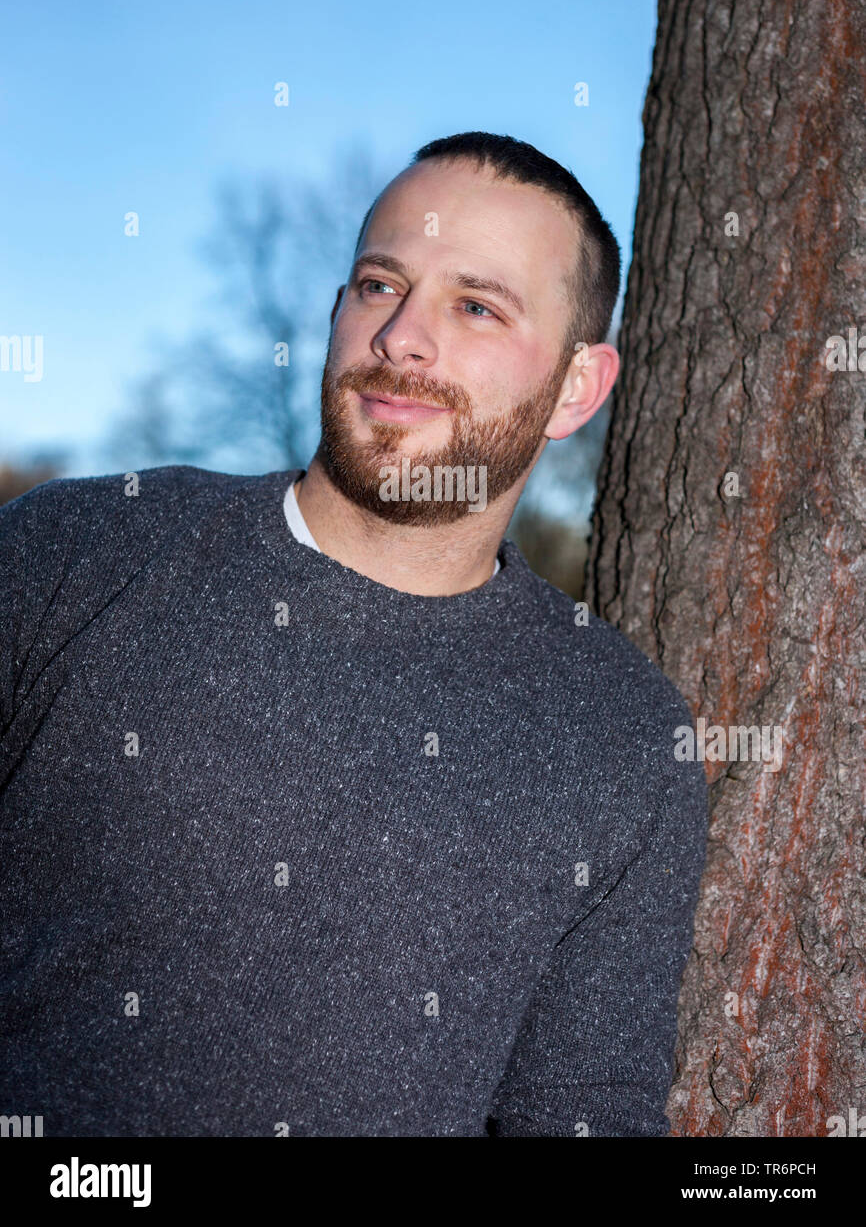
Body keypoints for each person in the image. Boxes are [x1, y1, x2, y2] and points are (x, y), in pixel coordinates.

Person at [0, 131, 707, 1137]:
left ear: (575, 388)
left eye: (474, 305)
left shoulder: (622, 737)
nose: (402, 338)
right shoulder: (75, 550)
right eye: (379, 284)